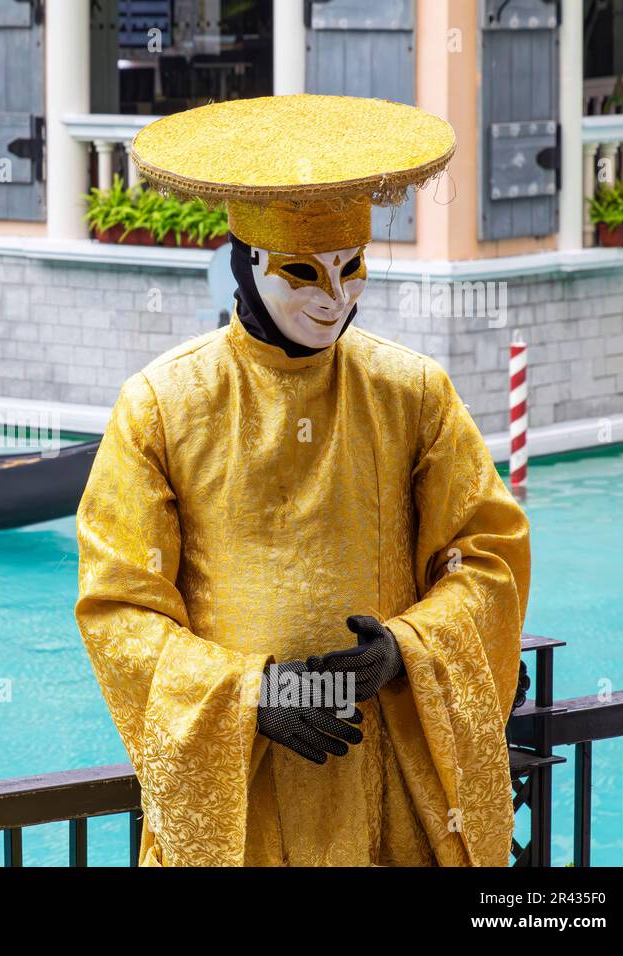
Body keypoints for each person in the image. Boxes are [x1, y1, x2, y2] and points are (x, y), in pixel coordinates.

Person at [74, 95, 531, 867]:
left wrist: (407, 652)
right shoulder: (162, 405)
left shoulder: (412, 392)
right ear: (247, 266)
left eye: (352, 269)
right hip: (246, 799)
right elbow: (120, 609)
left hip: (390, 786)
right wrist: (249, 695)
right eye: (301, 273)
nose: (335, 298)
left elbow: (487, 557)